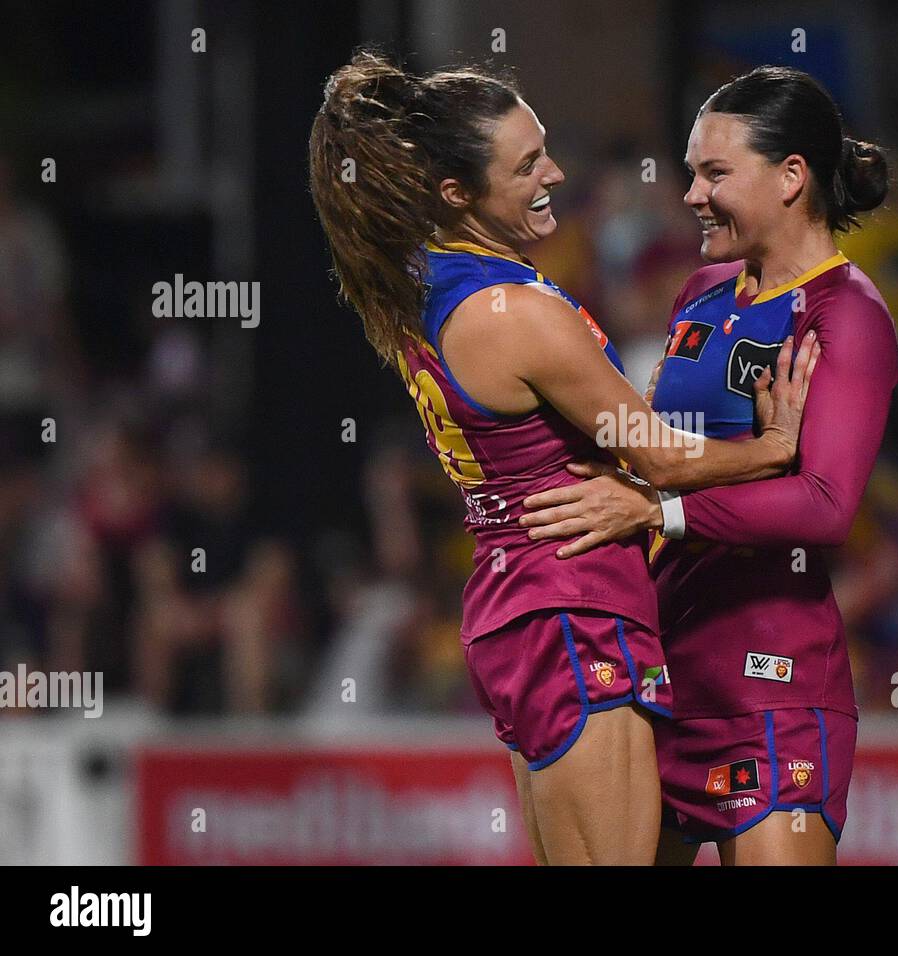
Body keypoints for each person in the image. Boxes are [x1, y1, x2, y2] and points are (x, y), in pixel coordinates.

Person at [307, 52, 819, 865]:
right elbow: (659, 459)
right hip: (574, 607)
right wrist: (774, 447)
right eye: (525, 163)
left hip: (523, 603)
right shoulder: (512, 313)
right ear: (455, 193)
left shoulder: (427, 286)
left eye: (542, 146)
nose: (553, 171)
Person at [521, 66, 898, 864]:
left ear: (792, 176)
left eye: (714, 173)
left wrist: (660, 510)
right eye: (692, 171)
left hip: (774, 689)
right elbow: (657, 456)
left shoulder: (849, 314)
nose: (690, 193)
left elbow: (826, 505)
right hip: (662, 676)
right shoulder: (699, 291)